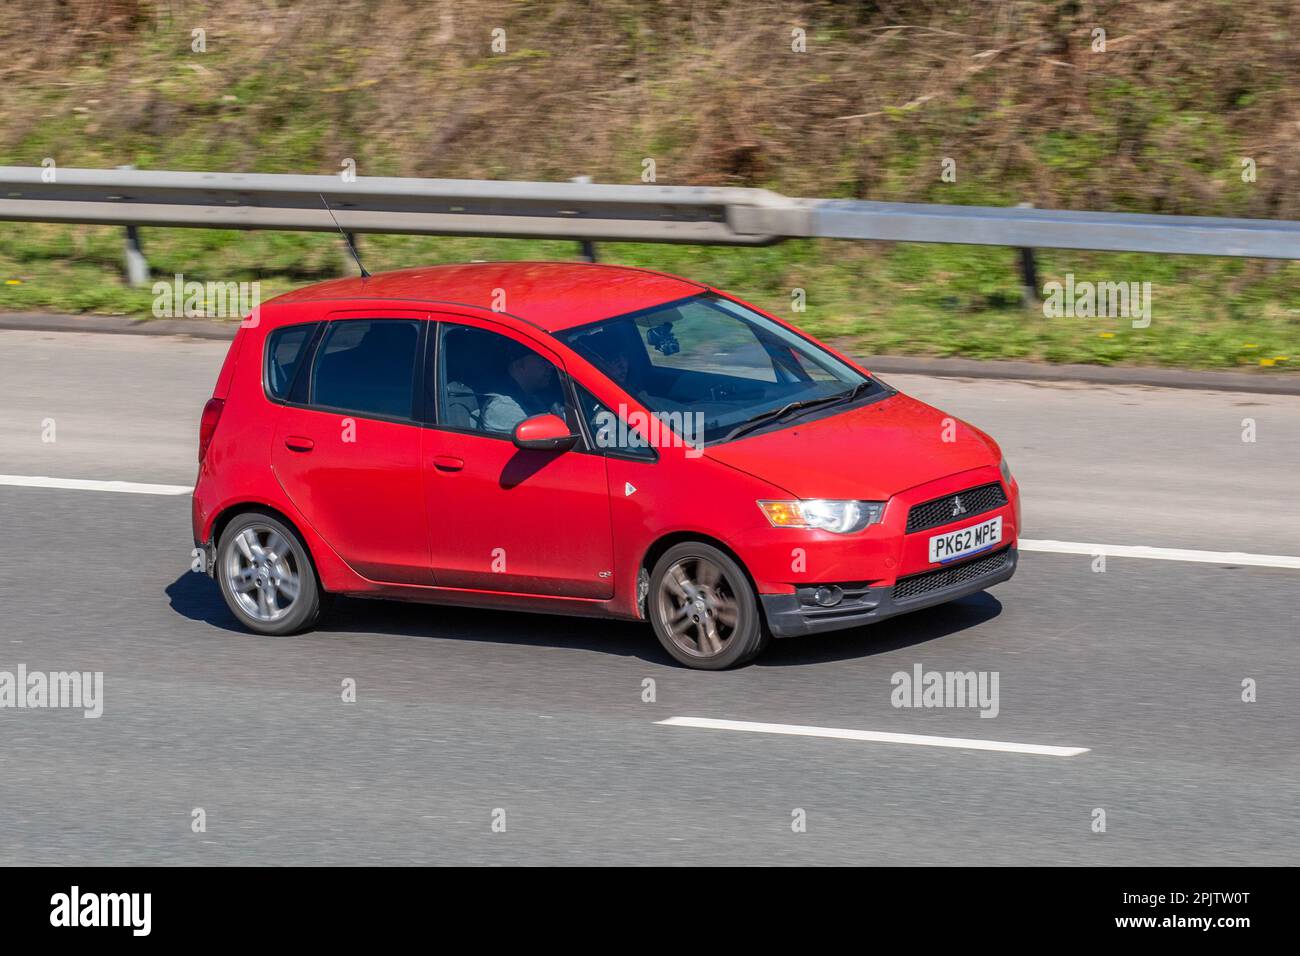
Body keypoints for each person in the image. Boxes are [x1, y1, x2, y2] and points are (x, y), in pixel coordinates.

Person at [479, 349, 566, 434]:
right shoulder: (503, 407)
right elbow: (550, 439)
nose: (550, 366)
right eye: (543, 360)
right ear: (519, 365)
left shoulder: (532, 394)